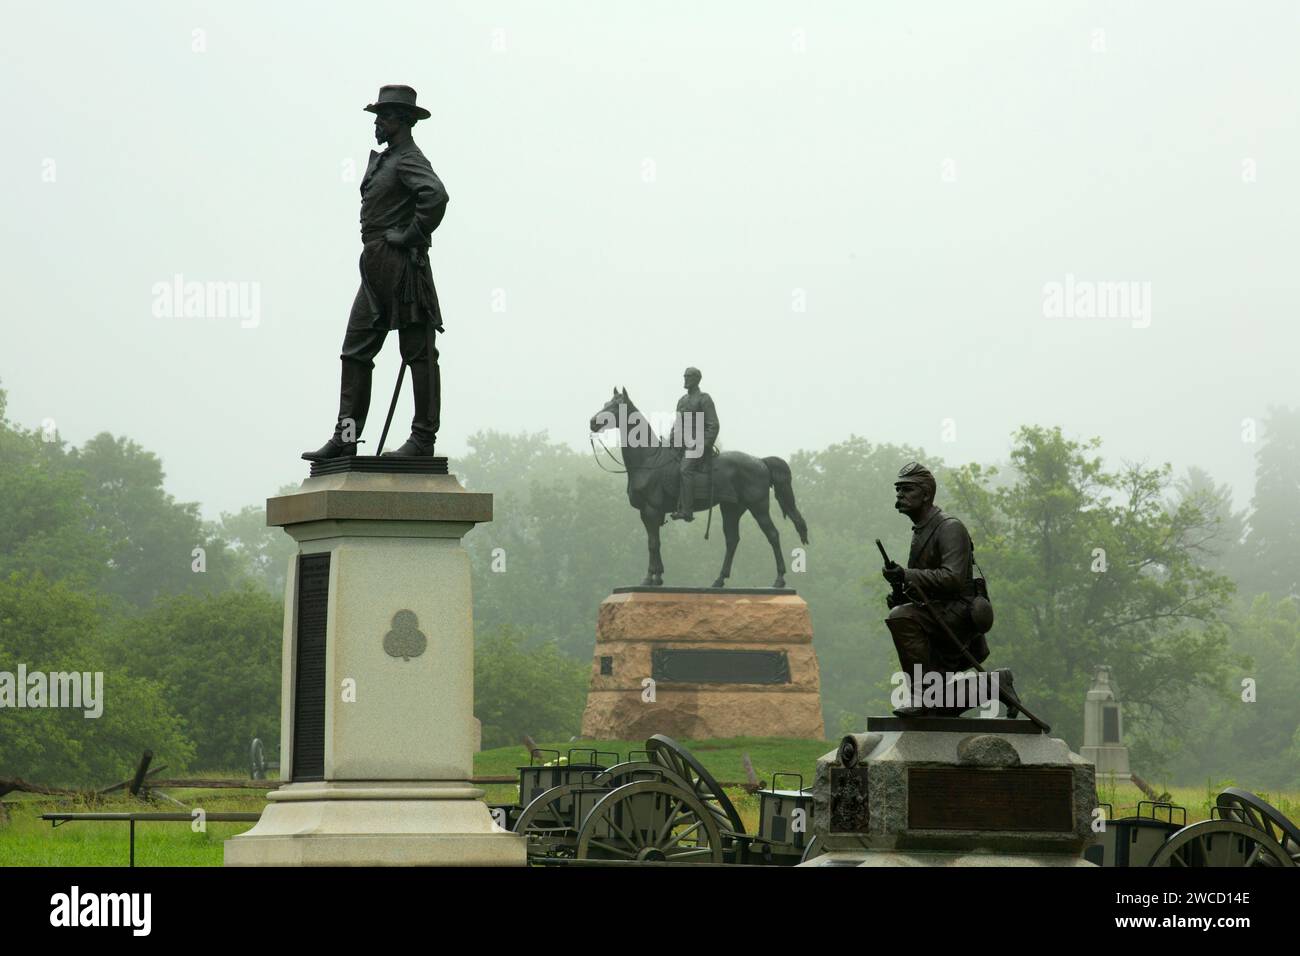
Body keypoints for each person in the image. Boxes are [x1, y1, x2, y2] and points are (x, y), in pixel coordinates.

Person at [303, 84, 448, 461]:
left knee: (418, 352)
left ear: (401, 121)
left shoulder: (408, 159)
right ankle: (347, 436)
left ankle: (422, 440)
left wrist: (411, 234)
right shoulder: (387, 159)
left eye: (383, 117)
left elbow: (435, 194)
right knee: (355, 351)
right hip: (374, 264)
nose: (378, 123)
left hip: (400, 264)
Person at [882, 462, 992, 716]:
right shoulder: (921, 530)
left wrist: (907, 574)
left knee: (901, 617)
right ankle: (990, 685)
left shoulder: (950, 527)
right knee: (900, 611)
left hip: (960, 613)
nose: (899, 495)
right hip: (938, 609)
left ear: (926, 494)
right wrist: (899, 589)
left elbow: (952, 578)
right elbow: (925, 587)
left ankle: (925, 697)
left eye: (907, 489)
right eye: (898, 489)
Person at [668, 367, 719, 521]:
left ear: (696, 379)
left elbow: (713, 425)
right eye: (684, 376)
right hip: (681, 443)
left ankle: (687, 511)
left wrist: (704, 444)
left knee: (685, 469)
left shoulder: (704, 399)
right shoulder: (682, 400)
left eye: (688, 376)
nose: (685, 379)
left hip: (698, 443)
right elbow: (677, 424)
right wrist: (671, 440)